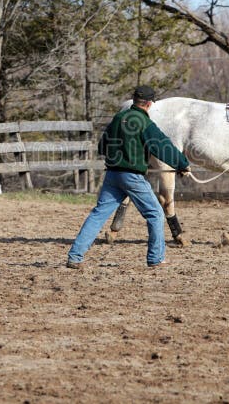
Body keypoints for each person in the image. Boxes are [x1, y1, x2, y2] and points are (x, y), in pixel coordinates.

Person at [67, 85, 191, 269]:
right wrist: (182, 164)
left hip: (112, 175)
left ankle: (75, 256)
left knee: (98, 215)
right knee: (155, 214)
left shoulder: (118, 118)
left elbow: (102, 146)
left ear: (134, 100)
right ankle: (156, 259)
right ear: (149, 104)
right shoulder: (144, 122)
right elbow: (162, 146)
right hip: (132, 177)